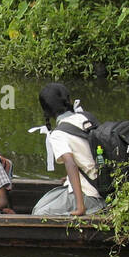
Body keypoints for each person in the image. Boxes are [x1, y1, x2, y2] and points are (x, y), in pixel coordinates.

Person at [30, 81, 103, 217]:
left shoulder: (58, 134)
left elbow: (70, 163)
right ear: (69, 100)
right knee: (44, 204)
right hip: (104, 186)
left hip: (92, 195)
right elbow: (89, 155)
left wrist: (80, 208)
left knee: (39, 213)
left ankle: (90, 208)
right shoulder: (87, 117)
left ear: (46, 111)